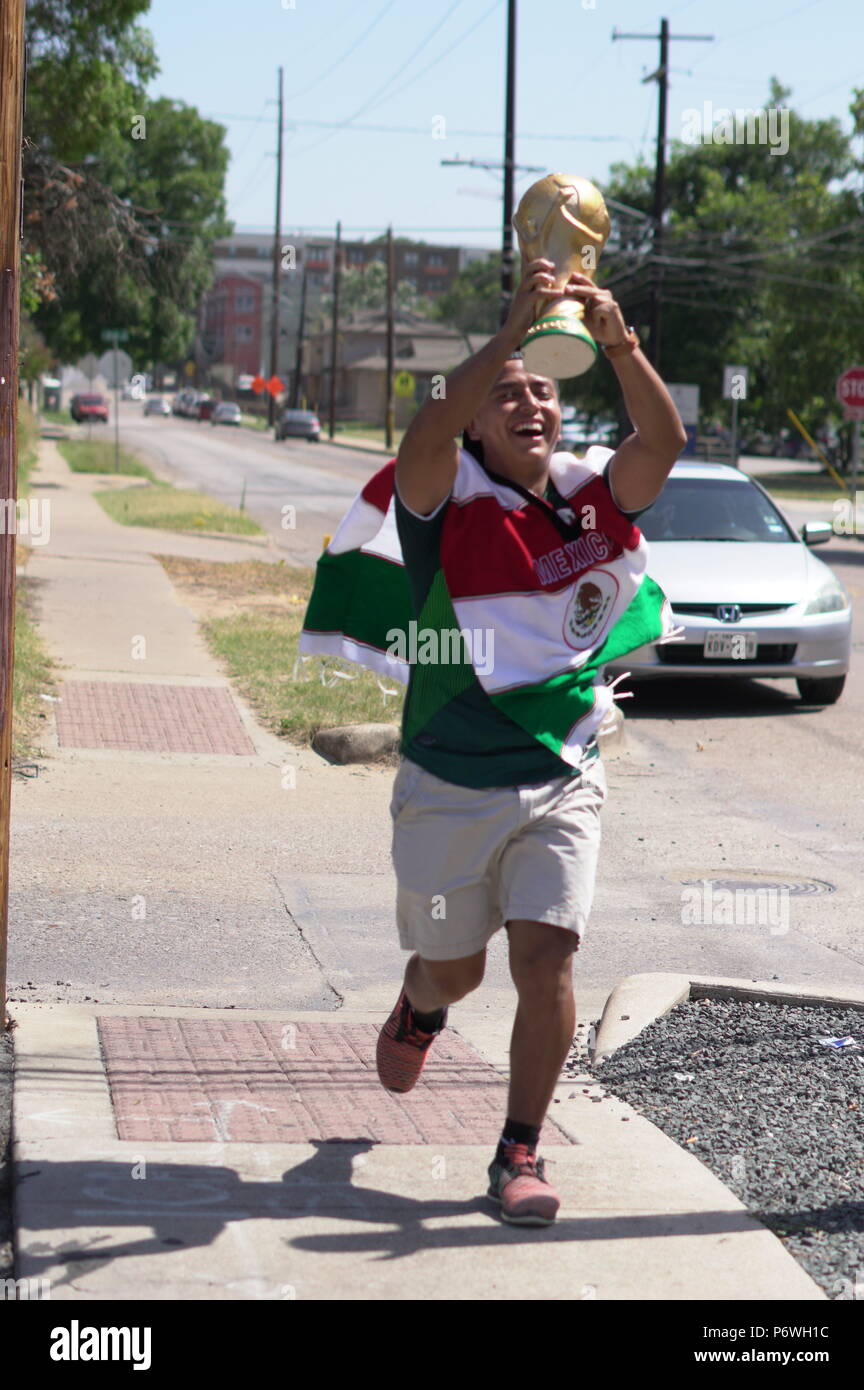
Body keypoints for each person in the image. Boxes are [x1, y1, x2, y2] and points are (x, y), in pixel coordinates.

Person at [373, 258, 686, 1226]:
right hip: (449, 779)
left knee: (547, 959)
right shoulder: (442, 493)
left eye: (543, 388)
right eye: (506, 392)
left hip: (562, 768)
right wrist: (510, 329)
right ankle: (423, 1003)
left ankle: (518, 1150)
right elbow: (428, 423)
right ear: (476, 419)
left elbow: (663, 441)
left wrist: (617, 337)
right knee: (458, 968)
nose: (528, 402)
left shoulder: (594, 493)